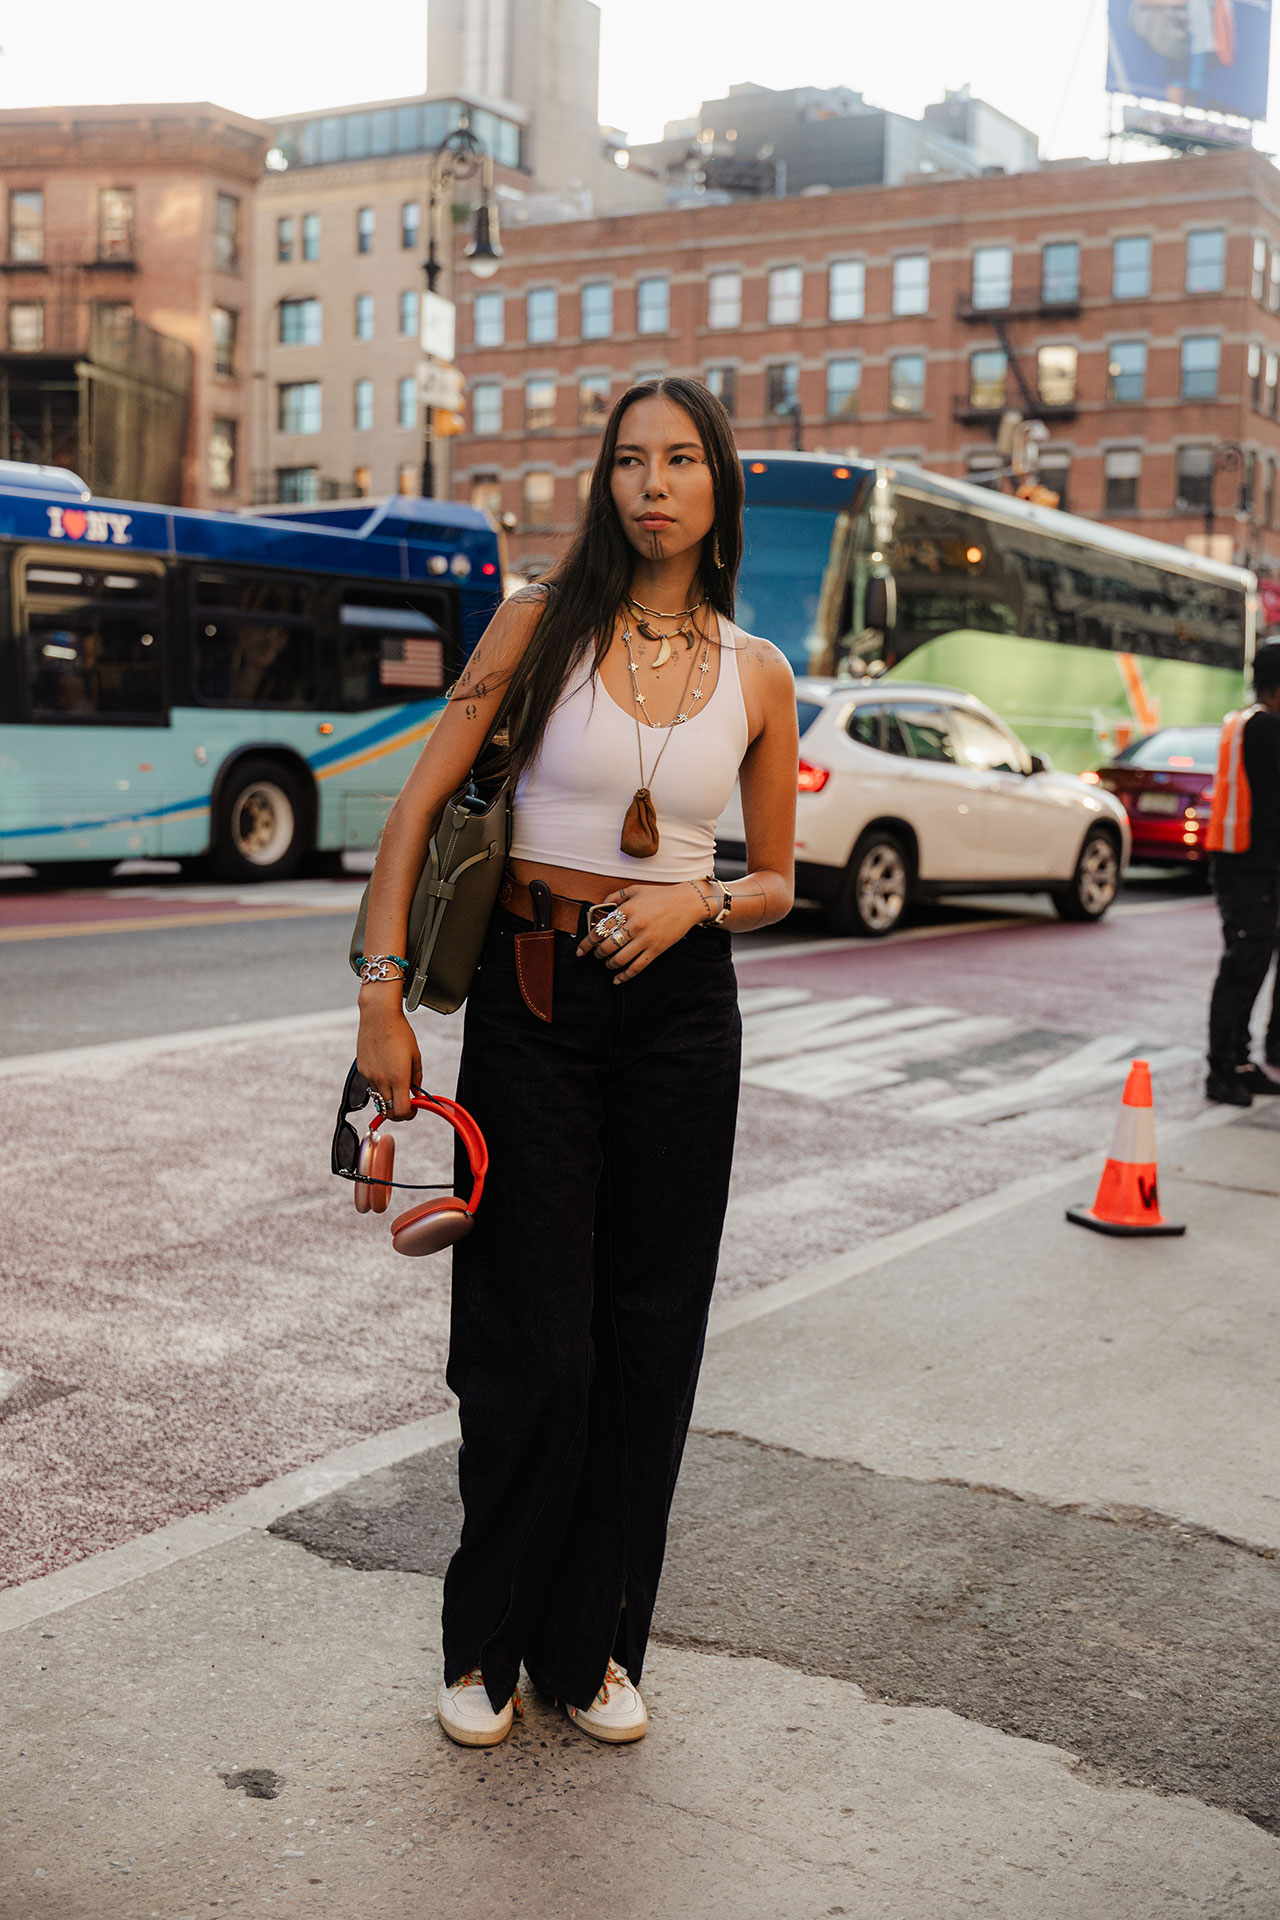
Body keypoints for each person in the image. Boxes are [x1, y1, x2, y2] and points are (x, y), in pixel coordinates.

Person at [355, 377, 798, 1747]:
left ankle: (594, 1646)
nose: (651, 484)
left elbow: (777, 878)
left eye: (681, 459)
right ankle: (486, 1644)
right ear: (604, 483)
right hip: (533, 998)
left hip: (683, 1014)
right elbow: (418, 806)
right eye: (628, 461)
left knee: (650, 1336)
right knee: (531, 1340)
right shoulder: (539, 624)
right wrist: (381, 993)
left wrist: (697, 899)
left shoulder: (760, 672)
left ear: (719, 484)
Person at [1204, 639, 1280, 1105]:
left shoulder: (1244, 722)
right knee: (1242, 967)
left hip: (1242, 863)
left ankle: (1239, 1061)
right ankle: (1221, 1070)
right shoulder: (1267, 728)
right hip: (1248, 869)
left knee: (1247, 966)